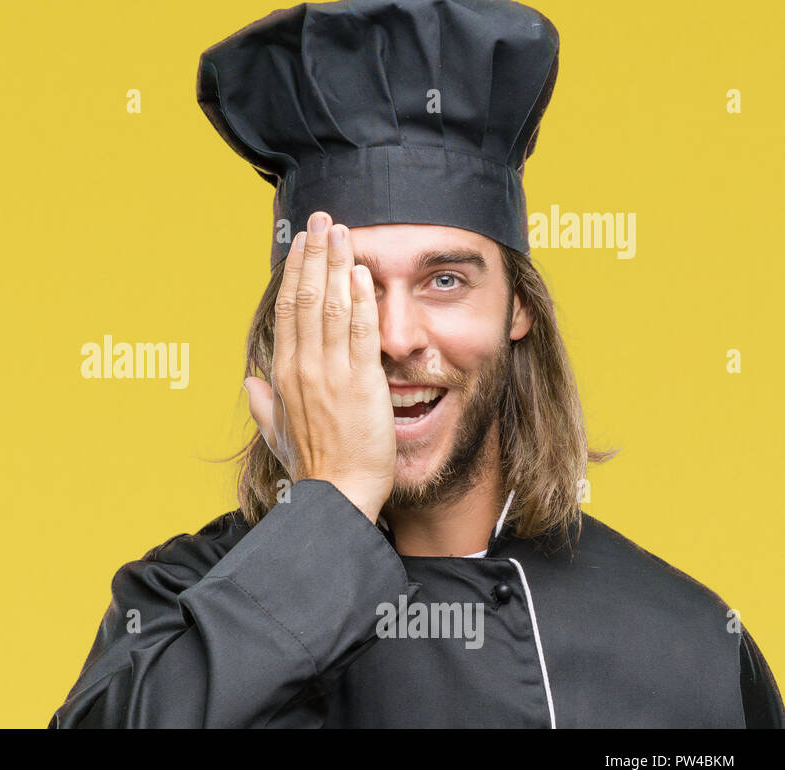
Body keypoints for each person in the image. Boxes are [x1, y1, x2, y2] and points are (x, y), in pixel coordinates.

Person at [50, 0, 784, 728]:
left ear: (517, 308)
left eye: (445, 280)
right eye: (354, 285)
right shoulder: (173, 619)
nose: (398, 336)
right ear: (294, 316)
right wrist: (331, 508)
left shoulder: (686, 649)